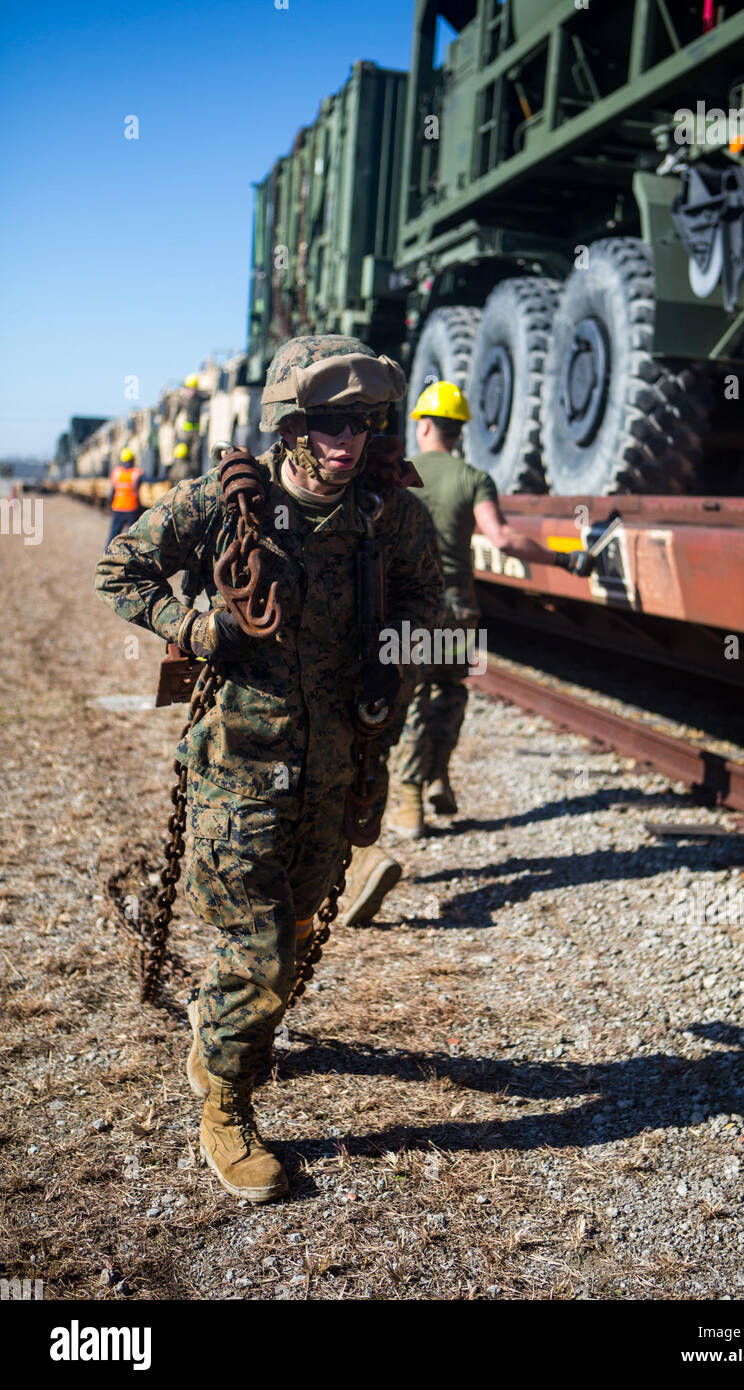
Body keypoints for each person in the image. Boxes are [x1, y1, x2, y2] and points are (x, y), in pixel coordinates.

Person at [94, 335, 441, 1203]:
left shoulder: (388, 514)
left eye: (361, 423)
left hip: (335, 766)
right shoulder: (229, 504)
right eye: (327, 424)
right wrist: (196, 628)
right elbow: (122, 568)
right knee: (259, 952)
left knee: (286, 942)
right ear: (290, 426)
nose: (347, 441)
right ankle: (228, 1112)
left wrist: (393, 660)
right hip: (238, 771)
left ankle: (217, 1038)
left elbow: (428, 604)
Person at [387, 380, 581, 840]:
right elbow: (504, 539)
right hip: (459, 604)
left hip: (408, 606)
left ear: (425, 426)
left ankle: (411, 802)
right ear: (460, 432)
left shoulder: (399, 473)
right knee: (451, 692)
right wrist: (564, 558)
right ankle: (439, 776)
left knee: (413, 695)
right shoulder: (474, 478)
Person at [105, 447, 143, 549]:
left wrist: (109, 506)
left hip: (118, 508)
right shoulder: (136, 473)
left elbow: (112, 491)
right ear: (132, 460)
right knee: (132, 536)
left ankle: (108, 552)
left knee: (114, 534)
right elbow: (150, 479)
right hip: (131, 508)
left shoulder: (116, 473)